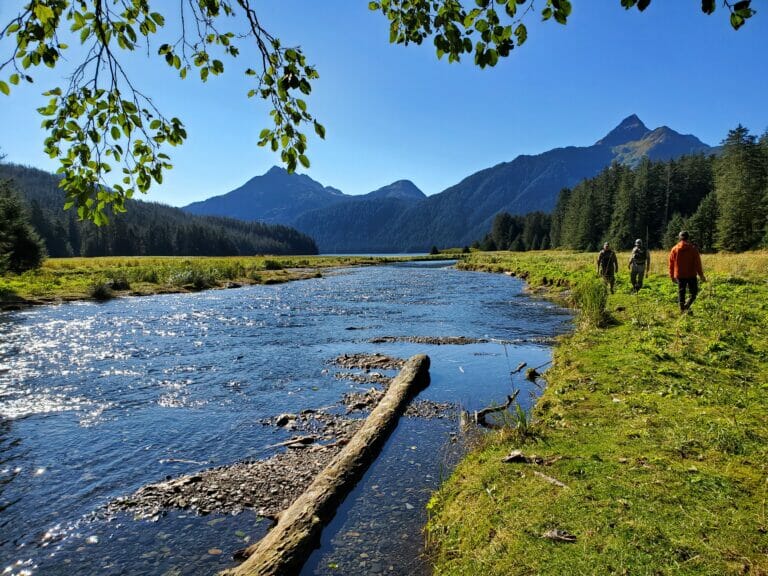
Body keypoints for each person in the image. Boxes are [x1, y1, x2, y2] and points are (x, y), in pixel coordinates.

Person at [668, 231, 706, 314]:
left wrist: (672, 276)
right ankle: (686, 306)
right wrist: (701, 275)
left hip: (679, 275)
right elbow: (697, 264)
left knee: (681, 292)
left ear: (679, 238)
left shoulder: (674, 249)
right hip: (691, 274)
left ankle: (682, 309)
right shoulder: (693, 249)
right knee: (694, 293)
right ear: (688, 238)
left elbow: (671, 264)